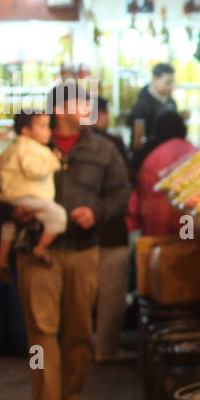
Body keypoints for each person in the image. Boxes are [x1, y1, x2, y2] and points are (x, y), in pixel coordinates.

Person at [0, 86, 130, 400]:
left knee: (80, 332)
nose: (87, 108)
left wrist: (96, 212)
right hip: (37, 251)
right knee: (41, 335)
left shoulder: (104, 149)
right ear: (59, 108)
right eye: (79, 102)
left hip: (83, 250)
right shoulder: (31, 142)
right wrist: (12, 209)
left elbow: (121, 192)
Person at [0, 111, 66, 280]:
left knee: (9, 226)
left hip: (10, 197)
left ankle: (1, 261)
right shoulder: (31, 149)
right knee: (59, 216)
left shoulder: (14, 147)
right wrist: (54, 161)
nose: (48, 131)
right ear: (26, 130)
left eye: (48, 126)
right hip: (29, 196)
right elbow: (34, 170)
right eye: (42, 126)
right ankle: (40, 247)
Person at [92, 103, 133, 363]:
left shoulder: (56, 145)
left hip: (82, 234)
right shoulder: (113, 143)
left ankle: (85, 346)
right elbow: (127, 185)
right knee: (110, 293)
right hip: (107, 233)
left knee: (86, 296)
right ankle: (105, 348)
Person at [127, 110, 195, 238]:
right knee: (187, 253)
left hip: (155, 221)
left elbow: (138, 191)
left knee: (160, 255)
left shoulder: (146, 154)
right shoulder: (192, 151)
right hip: (187, 221)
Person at [128, 63, 177, 149]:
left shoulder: (171, 103)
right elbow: (138, 141)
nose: (172, 86)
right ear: (155, 79)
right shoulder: (141, 106)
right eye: (168, 82)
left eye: (173, 82)